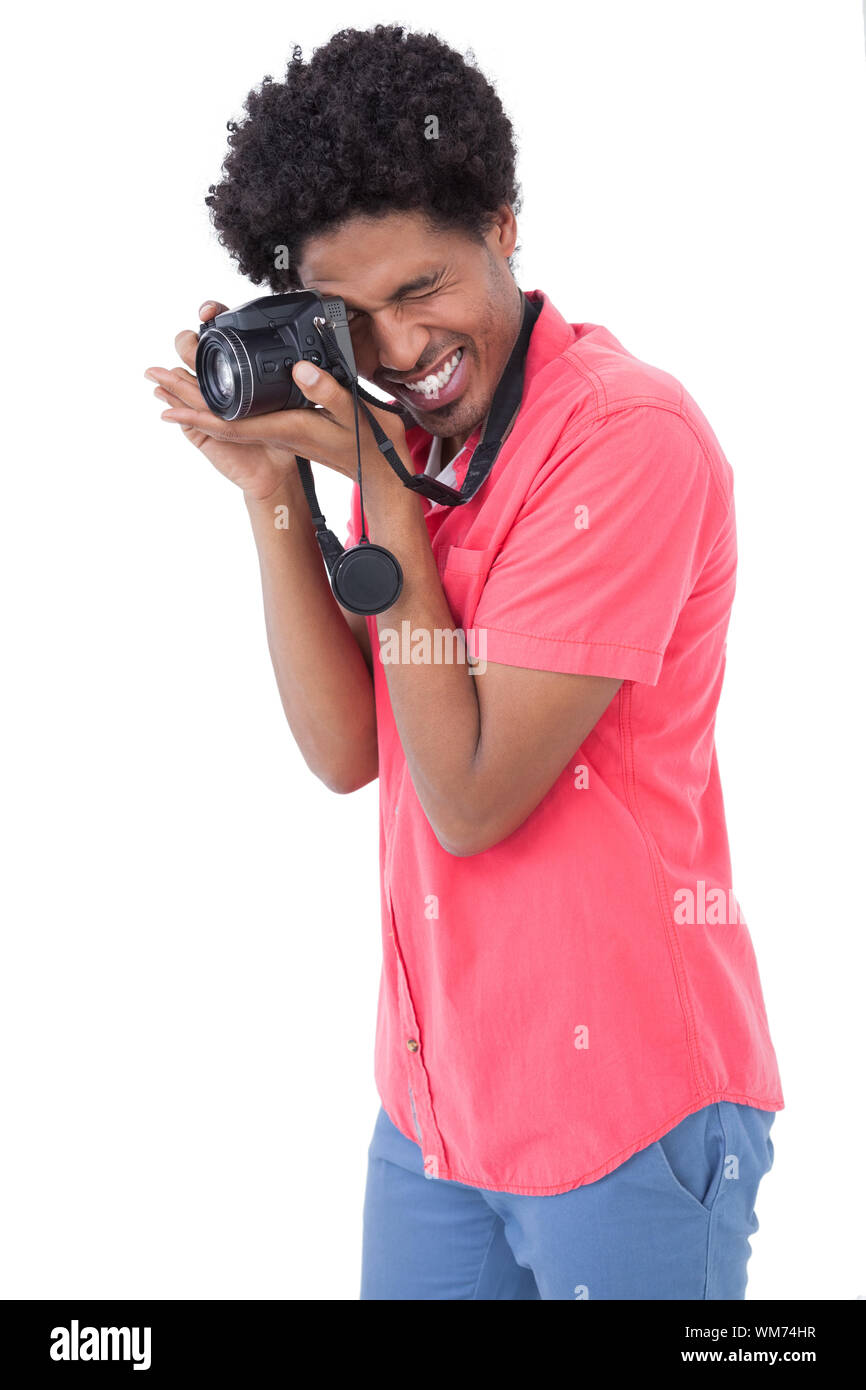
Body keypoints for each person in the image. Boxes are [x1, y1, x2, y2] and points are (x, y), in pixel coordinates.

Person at [145, 24, 784, 1300]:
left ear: (503, 224)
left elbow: (472, 796)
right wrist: (273, 488)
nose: (393, 355)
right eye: (354, 314)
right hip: (437, 1104)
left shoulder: (623, 441)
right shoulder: (416, 446)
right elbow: (346, 756)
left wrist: (377, 491)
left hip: (626, 1120)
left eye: (421, 288)